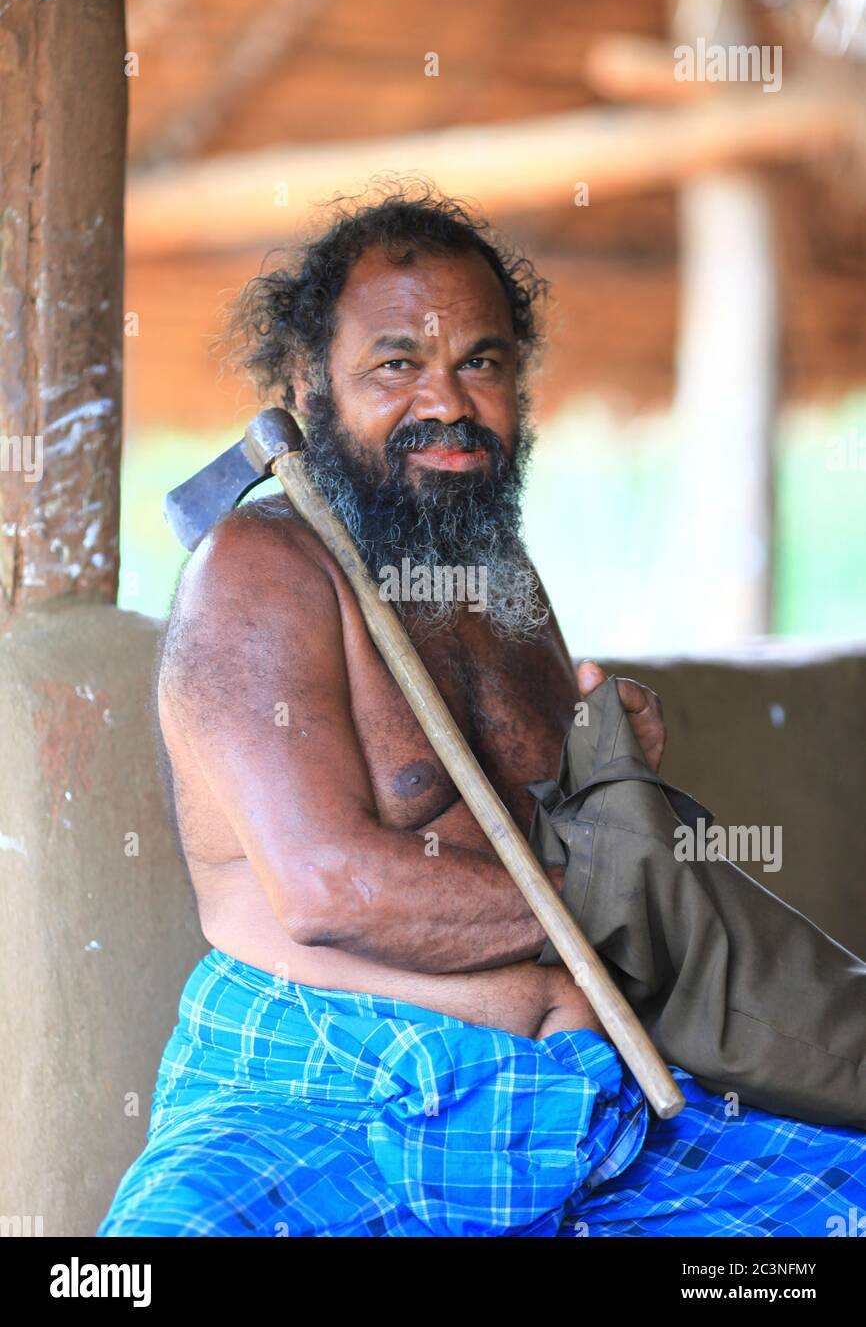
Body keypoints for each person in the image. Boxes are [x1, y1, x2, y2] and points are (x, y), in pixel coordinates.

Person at [98, 183, 865, 1237]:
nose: (447, 403)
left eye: (481, 363)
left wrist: (609, 770)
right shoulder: (260, 570)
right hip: (336, 1113)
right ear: (304, 384)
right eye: (396, 364)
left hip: (591, 1116)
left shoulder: (496, 575)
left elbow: (548, 829)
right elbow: (330, 888)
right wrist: (615, 894)